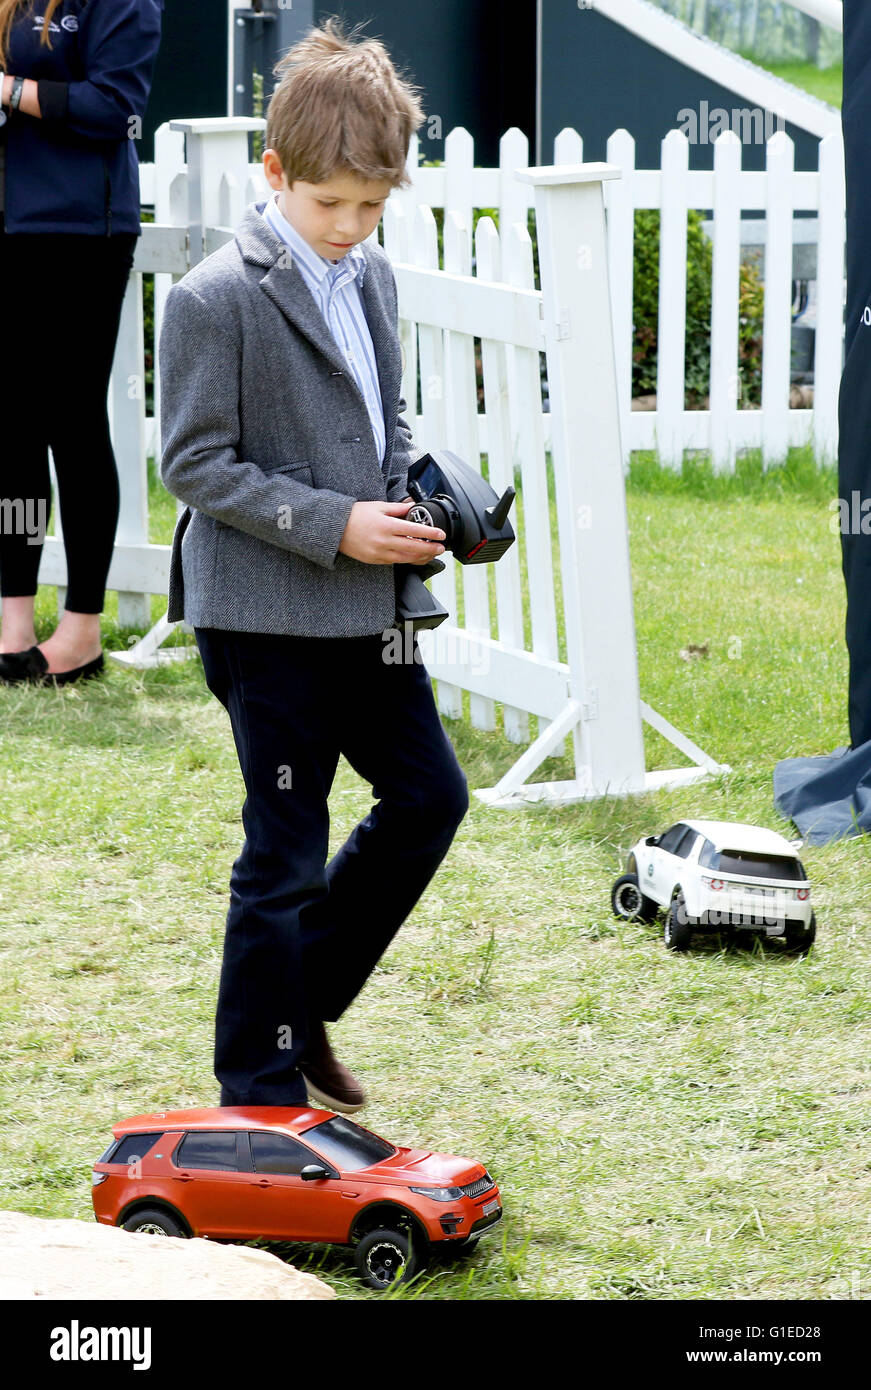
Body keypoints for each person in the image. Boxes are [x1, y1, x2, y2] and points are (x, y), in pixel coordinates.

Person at [158, 16, 469, 1113]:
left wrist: (419, 502)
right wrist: (337, 523)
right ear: (274, 172)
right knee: (285, 850)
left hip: (368, 611)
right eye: (330, 203)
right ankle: (257, 1092)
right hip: (261, 618)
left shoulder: (372, 276)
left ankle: (298, 1005)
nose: (349, 227)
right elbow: (193, 463)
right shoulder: (212, 297)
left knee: (429, 797)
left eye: (371, 207)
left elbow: (384, 416)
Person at [0, 0, 163, 686]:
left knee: (72, 422)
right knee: (12, 429)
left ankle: (82, 630)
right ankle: (12, 624)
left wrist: (9, 90)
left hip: (79, 234)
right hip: (7, 226)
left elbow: (114, 108)